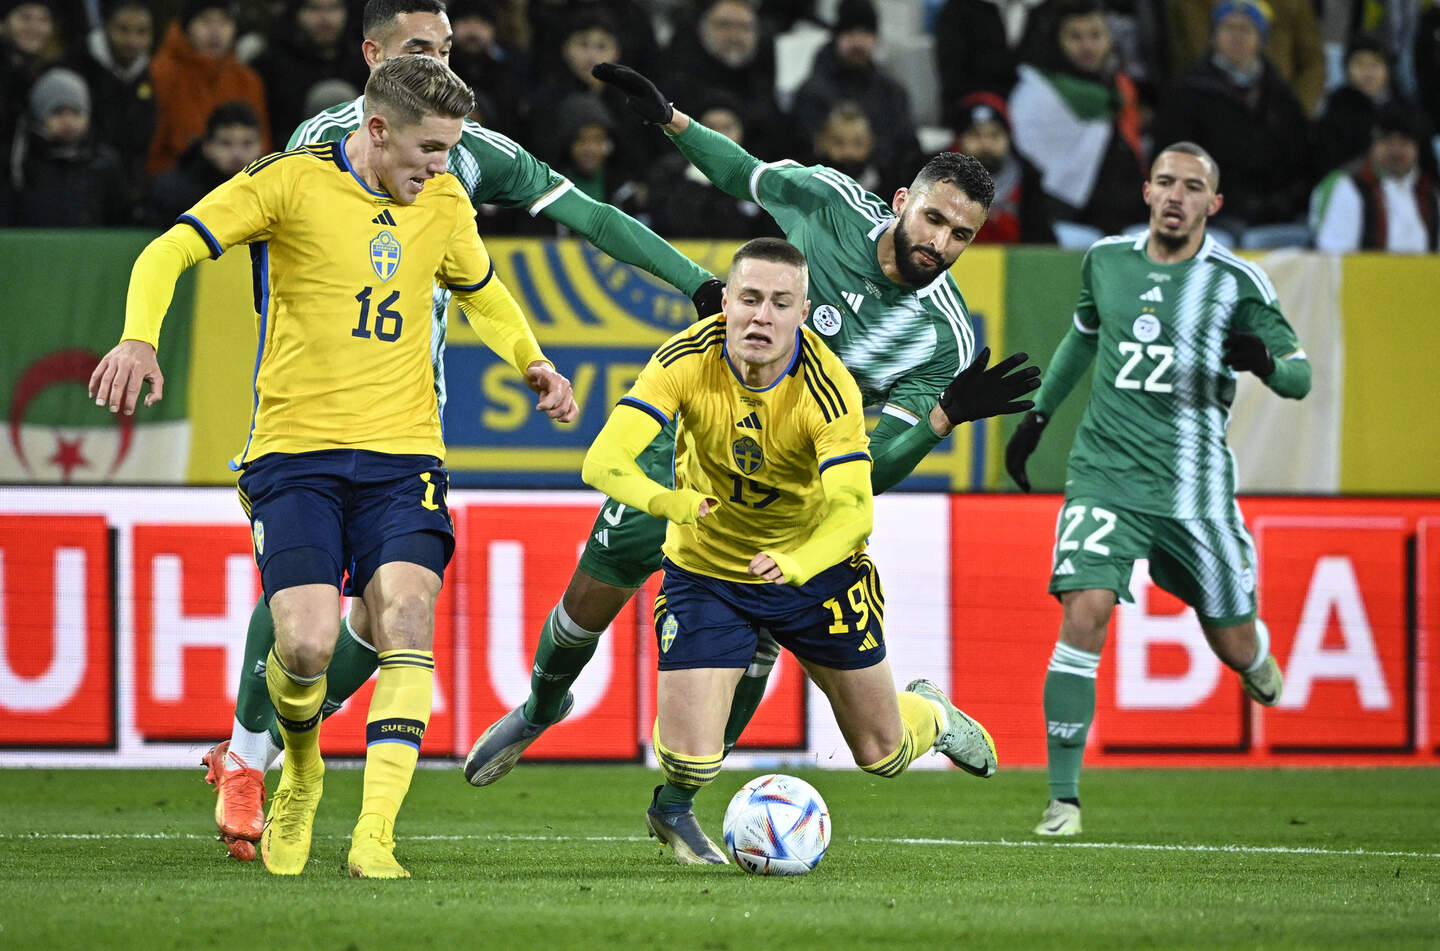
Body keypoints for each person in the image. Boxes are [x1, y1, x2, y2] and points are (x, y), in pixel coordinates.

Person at [464, 61, 1040, 863]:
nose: (941, 245)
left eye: (962, 235)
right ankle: (540, 706)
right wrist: (672, 119)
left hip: (787, 501)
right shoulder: (829, 200)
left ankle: (679, 801)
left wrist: (942, 418)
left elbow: (870, 469)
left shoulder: (940, 338)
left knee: (757, 656)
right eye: (935, 220)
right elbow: (741, 172)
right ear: (902, 201)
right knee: (588, 599)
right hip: (694, 451)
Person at [198, 0, 725, 863]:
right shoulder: (319, 145)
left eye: (447, 47)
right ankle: (250, 757)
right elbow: (275, 264)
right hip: (312, 407)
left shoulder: (470, 151)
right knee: (303, 590)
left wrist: (697, 282)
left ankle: (286, 749)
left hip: (414, 416)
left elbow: (591, 218)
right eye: (420, 48)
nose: (442, 62)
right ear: (373, 56)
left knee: (382, 617)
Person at [90, 54, 576, 878]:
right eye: (430, 147)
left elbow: (481, 290)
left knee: (406, 620)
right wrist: (139, 335)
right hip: (296, 455)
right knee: (308, 644)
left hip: (405, 454)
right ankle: (303, 770)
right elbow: (166, 252)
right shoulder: (287, 183)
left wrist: (531, 359)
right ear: (376, 130)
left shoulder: (445, 201)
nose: (443, 165)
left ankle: (374, 836)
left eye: (452, 148)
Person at [582, 236, 999, 864]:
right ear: (726, 302)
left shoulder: (828, 388)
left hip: (815, 574)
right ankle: (677, 794)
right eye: (749, 299)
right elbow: (603, 461)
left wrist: (799, 563)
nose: (762, 316)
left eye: (780, 303)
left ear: (803, 313)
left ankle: (932, 715)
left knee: (883, 754)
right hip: (708, 571)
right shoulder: (683, 359)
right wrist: (668, 503)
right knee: (688, 759)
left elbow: (855, 510)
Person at [1004, 142, 1312, 837]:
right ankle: (1063, 800)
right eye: (1166, 182)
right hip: (1104, 475)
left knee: (1233, 642)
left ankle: (1252, 655)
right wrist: (1038, 418)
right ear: (1146, 191)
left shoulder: (1237, 283)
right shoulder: (1106, 260)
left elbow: (1301, 376)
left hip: (1193, 493)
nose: (1177, 196)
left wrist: (1264, 362)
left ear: (1214, 203)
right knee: (1085, 608)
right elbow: (1083, 338)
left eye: (1193, 186)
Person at [1151, 0, 1312, 236]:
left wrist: (1279, 205)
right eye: (1228, 28)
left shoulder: (1282, 97)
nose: (1237, 37)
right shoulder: (1189, 92)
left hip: (1273, 218)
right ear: (1213, 36)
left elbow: (1301, 166)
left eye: (1246, 29)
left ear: (1261, 39)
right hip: (1209, 217)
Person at [1008, 0, 1147, 238]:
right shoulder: (1035, 91)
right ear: (1057, 40)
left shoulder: (1118, 89)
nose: (1087, 46)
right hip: (1054, 219)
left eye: (1096, 35)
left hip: (1117, 216)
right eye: (1075, 37)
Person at [146, 0, 269, 176]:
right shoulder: (161, 74)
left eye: (224, 21)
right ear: (187, 27)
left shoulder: (248, 80)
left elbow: (262, 143)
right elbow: (153, 147)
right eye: (205, 20)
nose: (215, 31)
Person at [1, 65, 133, 226]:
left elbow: (120, 217)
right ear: (39, 115)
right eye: (58, 112)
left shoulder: (104, 162)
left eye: (76, 112)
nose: (68, 121)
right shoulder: (20, 160)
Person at [1309, 105, 1439, 253]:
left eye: (1404, 143)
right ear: (1373, 145)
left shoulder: (1430, 193)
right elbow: (1334, 255)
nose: (1396, 151)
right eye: (1388, 142)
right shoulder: (1350, 188)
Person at [951, 91, 1054, 244]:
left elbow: (1042, 245)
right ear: (959, 140)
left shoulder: (1028, 179)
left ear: (1008, 138)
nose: (986, 144)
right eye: (975, 135)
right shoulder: (934, 178)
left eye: (995, 135)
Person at [146, 100, 264, 227]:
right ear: (207, 146)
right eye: (226, 143)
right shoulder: (172, 194)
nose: (237, 154)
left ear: (262, 145)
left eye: (247, 143)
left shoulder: (271, 190)